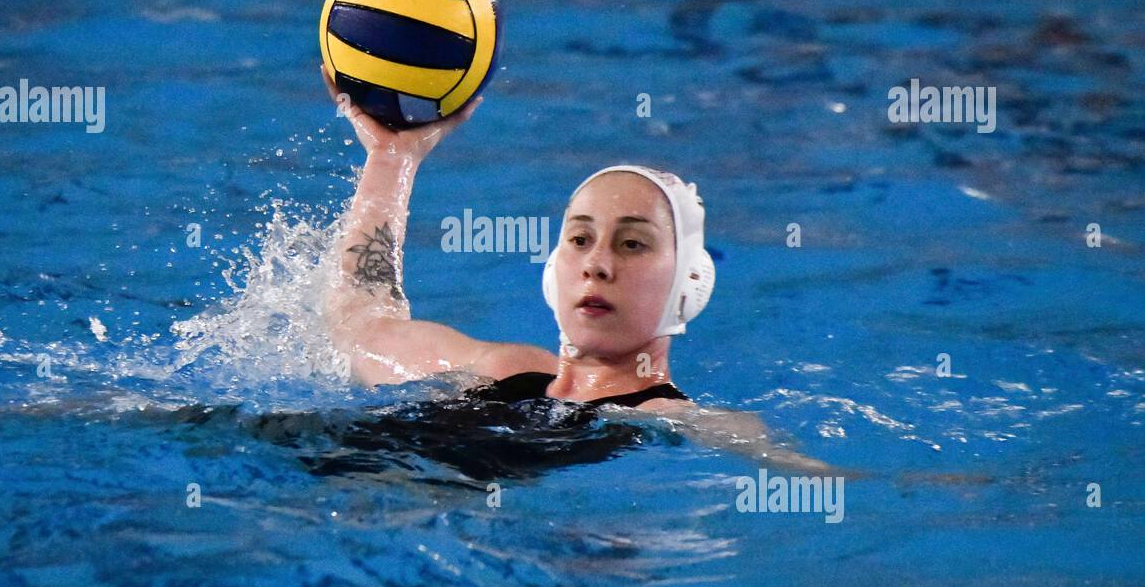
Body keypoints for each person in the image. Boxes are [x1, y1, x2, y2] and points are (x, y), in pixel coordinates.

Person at [319, 65, 836, 474]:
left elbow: (819, 479)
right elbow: (359, 321)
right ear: (553, 270)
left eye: (633, 244)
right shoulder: (499, 369)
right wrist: (392, 158)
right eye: (580, 239)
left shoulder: (671, 420)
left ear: (691, 285)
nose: (597, 264)